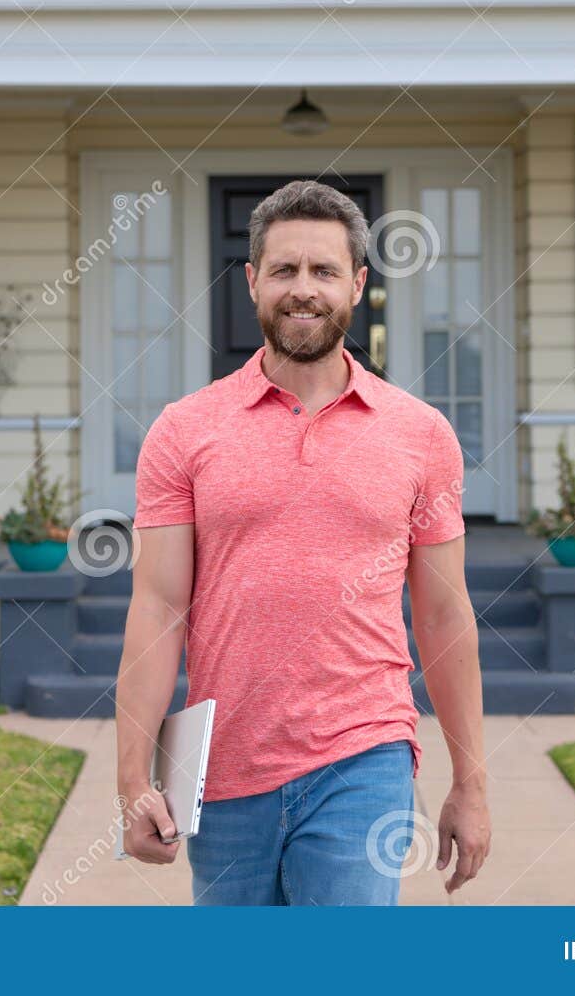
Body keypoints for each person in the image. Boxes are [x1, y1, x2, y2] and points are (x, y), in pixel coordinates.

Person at [115, 178, 491, 905]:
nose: (303, 289)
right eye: (284, 270)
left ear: (357, 283)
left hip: (366, 755)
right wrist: (133, 780)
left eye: (323, 270)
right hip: (224, 765)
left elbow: (445, 619)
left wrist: (470, 784)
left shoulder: (421, 435)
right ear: (254, 282)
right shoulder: (185, 430)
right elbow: (158, 609)